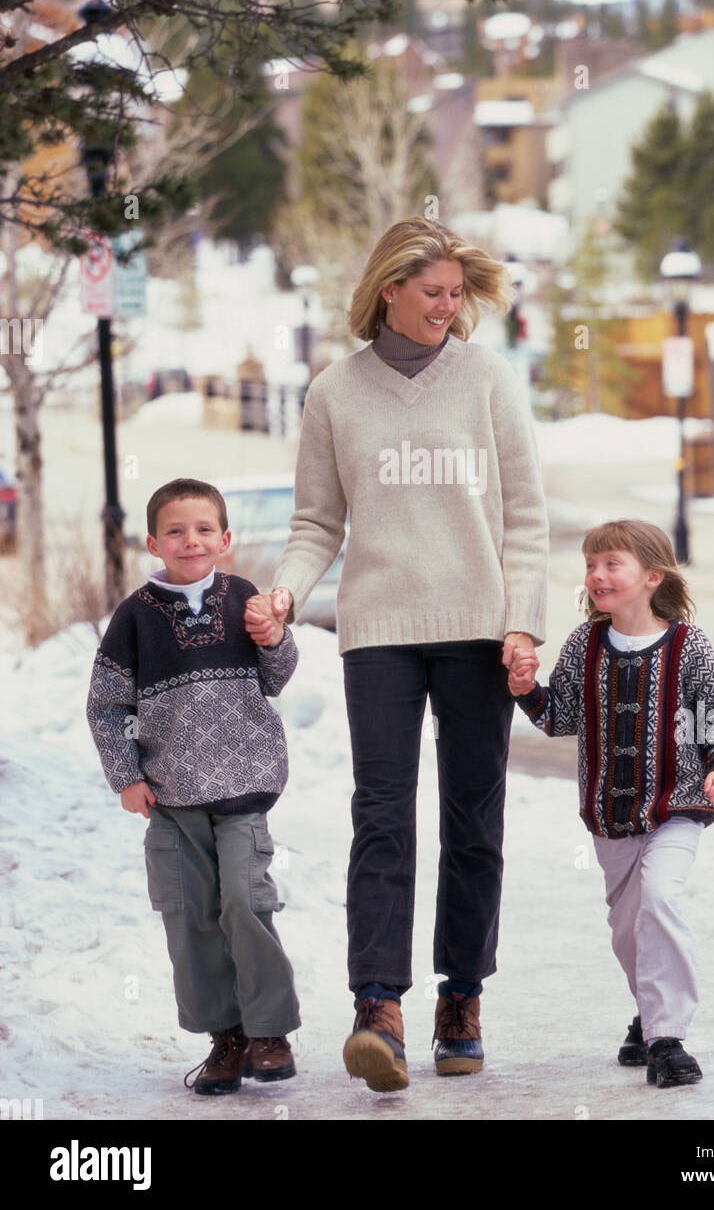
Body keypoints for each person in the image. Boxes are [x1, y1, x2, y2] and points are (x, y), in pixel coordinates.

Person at [263, 216, 548, 1092]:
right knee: (381, 814)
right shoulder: (334, 393)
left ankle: (461, 995)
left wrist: (522, 622)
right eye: (433, 293)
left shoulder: (489, 380)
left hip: (475, 632)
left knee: (474, 818)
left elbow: (526, 518)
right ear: (388, 289)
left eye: (458, 295)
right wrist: (285, 592)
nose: (447, 308)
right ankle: (377, 1004)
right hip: (378, 633)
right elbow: (317, 521)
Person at [507, 518, 714, 1089]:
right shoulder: (584, 644)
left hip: (678, 804)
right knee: (626, 928)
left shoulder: (689, 646)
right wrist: (527, 691)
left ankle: (668, 1038)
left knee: (660, 900)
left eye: (613, 563)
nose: (597, 575)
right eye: (591, 564)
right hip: (611, 818)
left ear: (650, 577)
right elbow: (560, 717)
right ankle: (649, 1009)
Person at [86, 477, 301, 1095]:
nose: (191, 540)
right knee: (190, 919)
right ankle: (225, 1037)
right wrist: (125, 774)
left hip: (243, 791)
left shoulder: (245, 600)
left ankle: (268, 1031)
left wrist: (276, 636)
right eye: (176, 531)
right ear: (153, 542)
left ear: (225, 539)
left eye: (204, 529)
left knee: (245, 901)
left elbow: (278, 676)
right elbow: (106, 705)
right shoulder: (134, 618)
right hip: (172, 802)